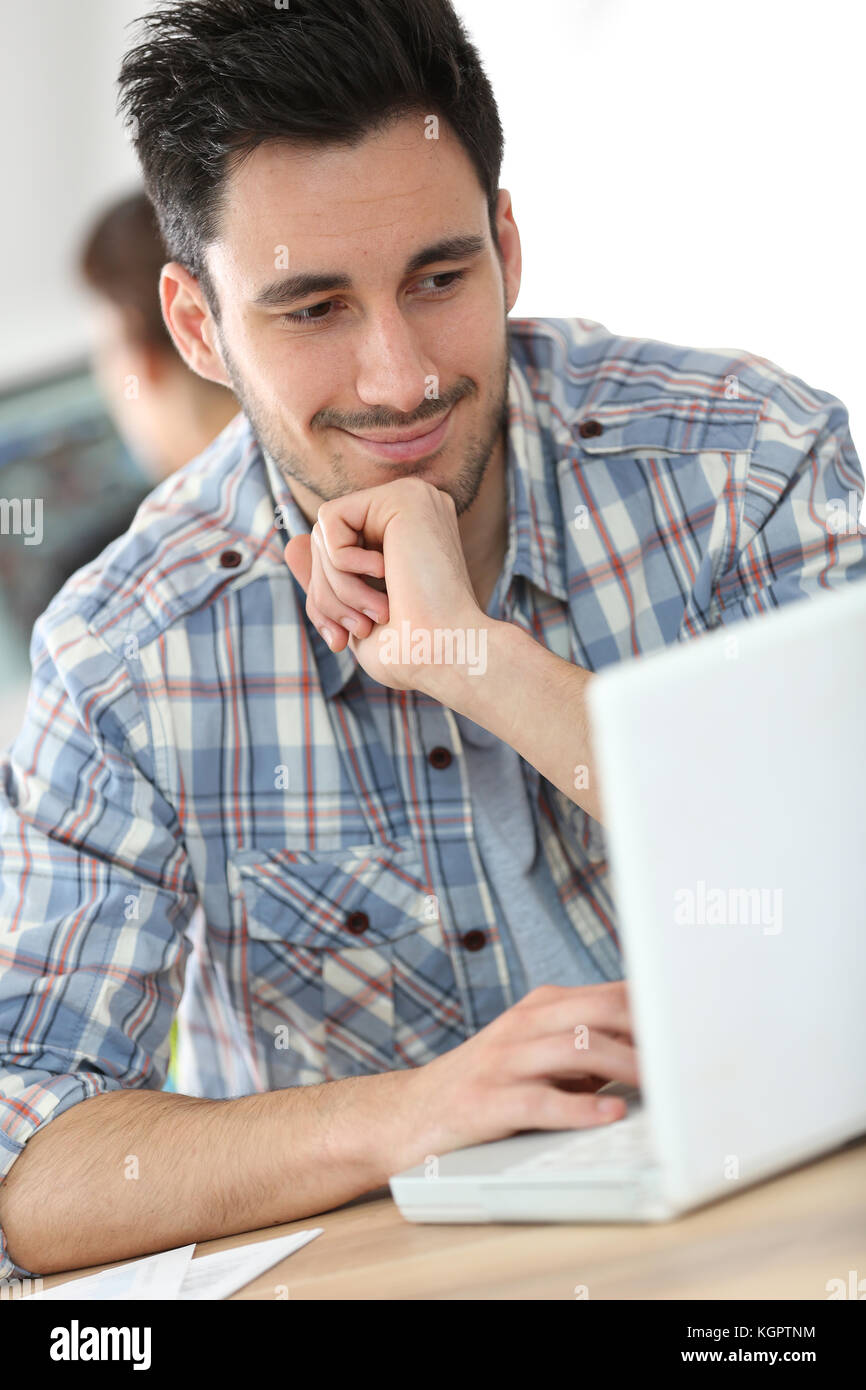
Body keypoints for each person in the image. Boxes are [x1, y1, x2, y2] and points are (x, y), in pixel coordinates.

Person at [0, 0, 863, 1281]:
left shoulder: (747, 464)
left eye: (438, 278)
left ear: (506, 243)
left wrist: (479, 662)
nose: (399, 375)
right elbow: (34, 1166)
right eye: (309, 309)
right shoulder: (125, 654)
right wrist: (417, 1109)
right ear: (196, 328)